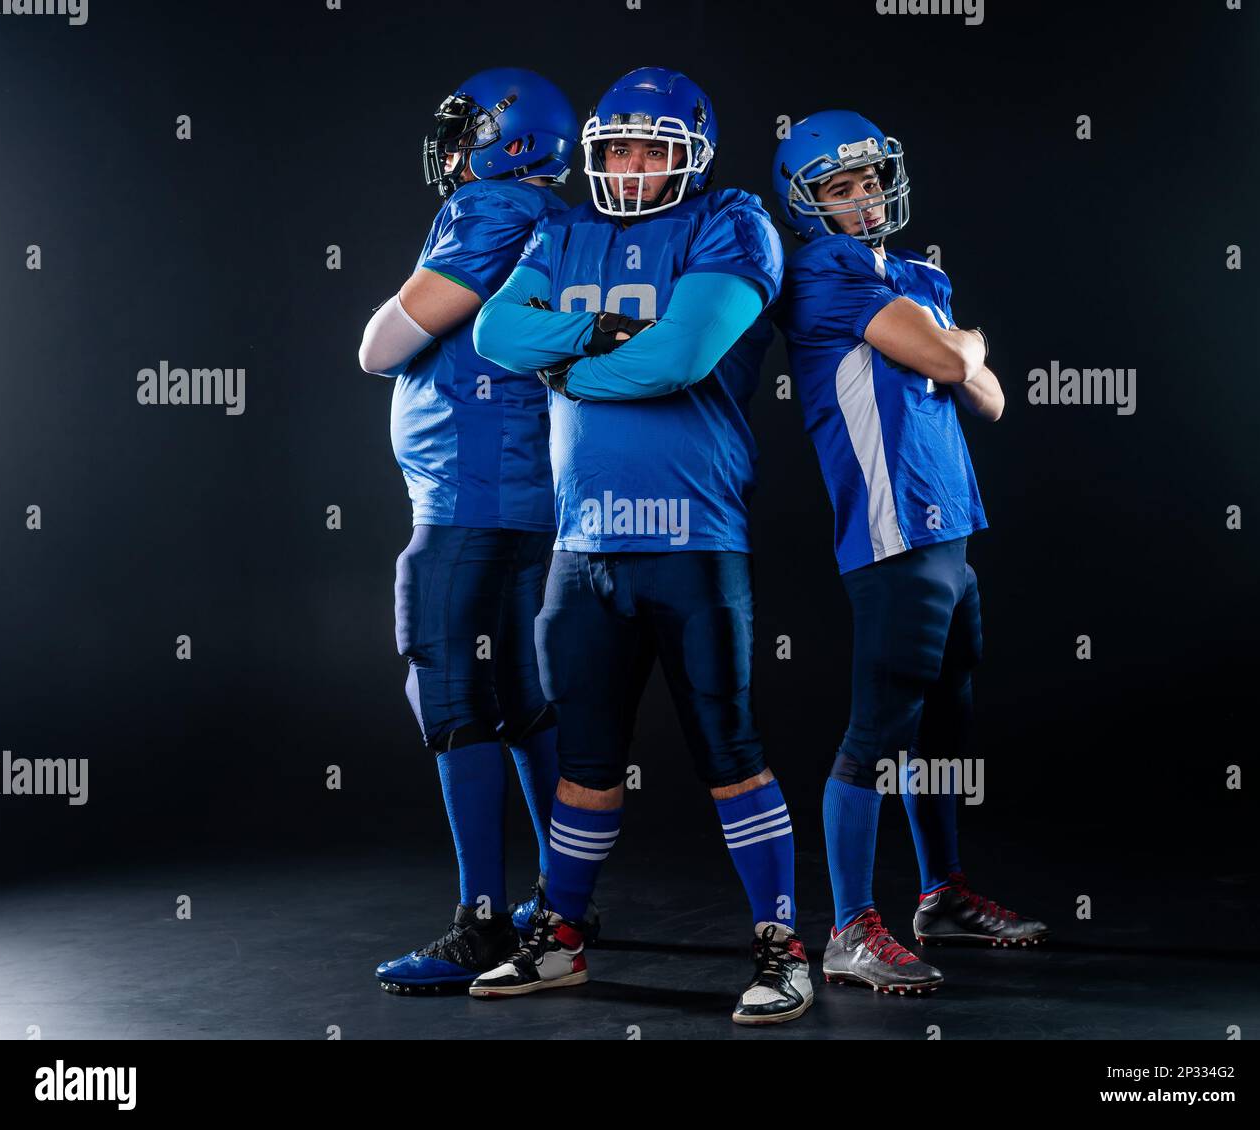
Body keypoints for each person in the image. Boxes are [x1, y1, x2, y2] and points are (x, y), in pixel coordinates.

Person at [467, 67, 811, 1025]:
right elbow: (497, 331)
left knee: (730, 753)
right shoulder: (561, 226)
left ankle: (783, 946)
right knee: (585, 760)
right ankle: (564, 938)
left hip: (694, 540)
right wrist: (605, 331)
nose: (628, 165)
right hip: (583, 550)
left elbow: (682, 357)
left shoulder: (730, 222)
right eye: (615, 147)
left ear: (688, 155)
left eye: (649, 149)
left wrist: (569, 369)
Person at [772, 110, 1048, 996]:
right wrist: (960, 348)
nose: (861, 200)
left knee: (945, 723)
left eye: (869, 180)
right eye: (838, 188)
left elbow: (992, 402)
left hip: (952, 527)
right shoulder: (821, 271)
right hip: (893, 534)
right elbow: (948, 356)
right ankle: (850, 926)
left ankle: (941, 895)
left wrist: (958, 358)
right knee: (875, 736)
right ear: (808, 204)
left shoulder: (916, 272)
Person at [359, 67, 595, 994]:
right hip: (526, 488)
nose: (454, 152)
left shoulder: (491, 206)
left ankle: (483, 925)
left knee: (452, 691)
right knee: (524, 696)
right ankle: (562, 907)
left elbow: (380, 345)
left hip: (470, 493)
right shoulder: (557, 214)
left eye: (468, 133)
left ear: (514, 141)